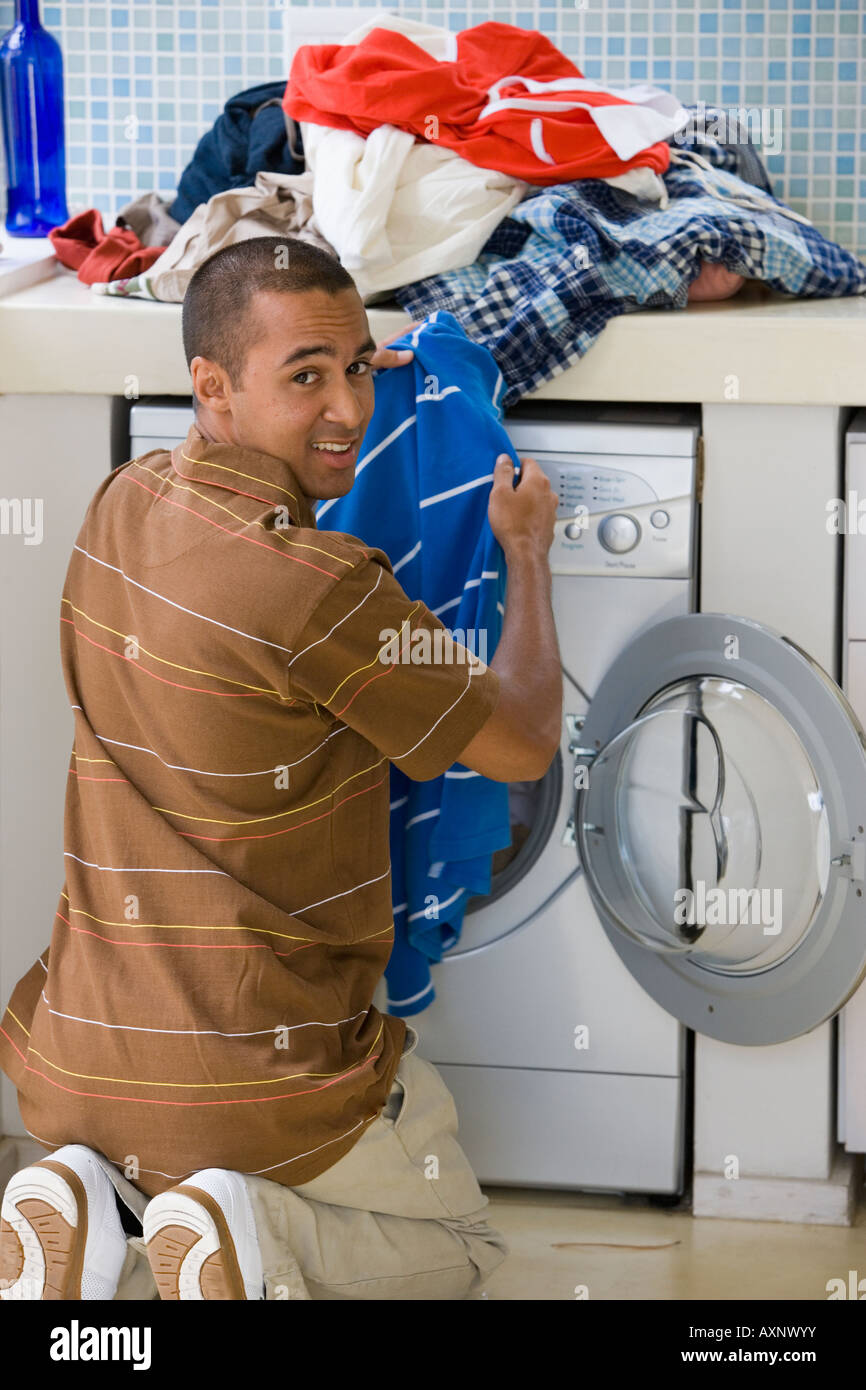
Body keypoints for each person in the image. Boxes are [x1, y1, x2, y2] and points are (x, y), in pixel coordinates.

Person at [0, 235, 561, 1301]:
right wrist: (524, 553)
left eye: (357, 366)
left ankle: (85, 1196)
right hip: (258, 1077)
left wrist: (317, 364)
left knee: (149, 1191)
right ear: (211, 387)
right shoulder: (327, 590)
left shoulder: (116, 506)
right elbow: (526, 737)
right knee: (465, 1249)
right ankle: (246, 1216)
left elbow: (236, 495)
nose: (347, 408)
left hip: (78, 1058)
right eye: (305, 377)